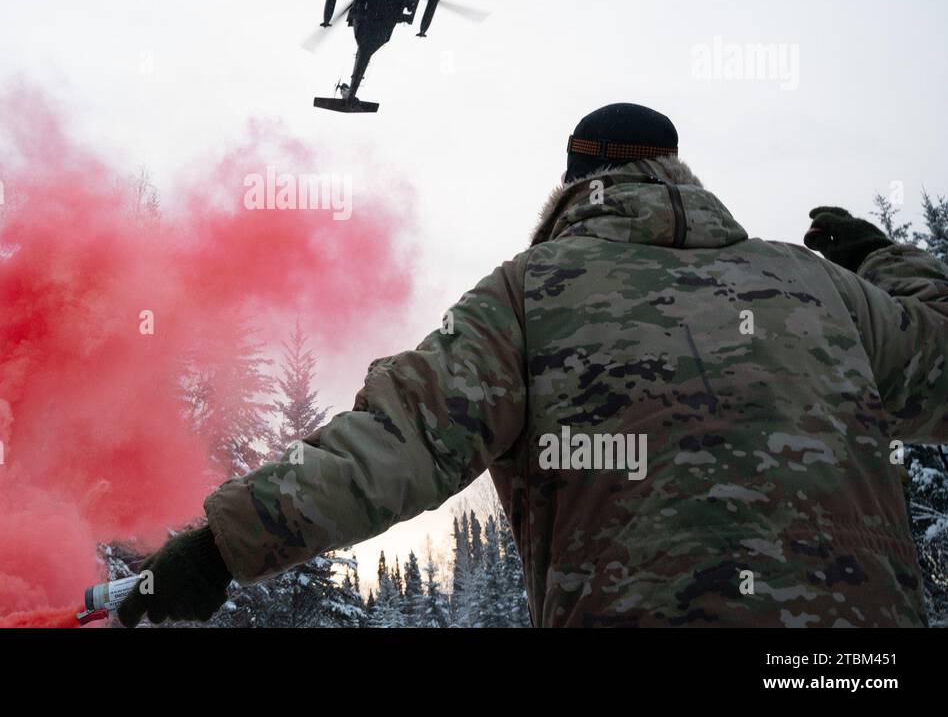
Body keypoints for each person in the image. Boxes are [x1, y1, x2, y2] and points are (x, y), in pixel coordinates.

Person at [119, 103, 948, 627]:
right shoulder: (817, 286)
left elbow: (393, 443)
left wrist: (218, 549)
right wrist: (888, 261)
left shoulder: (531, 292)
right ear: (682, 178)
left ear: (574, 186)